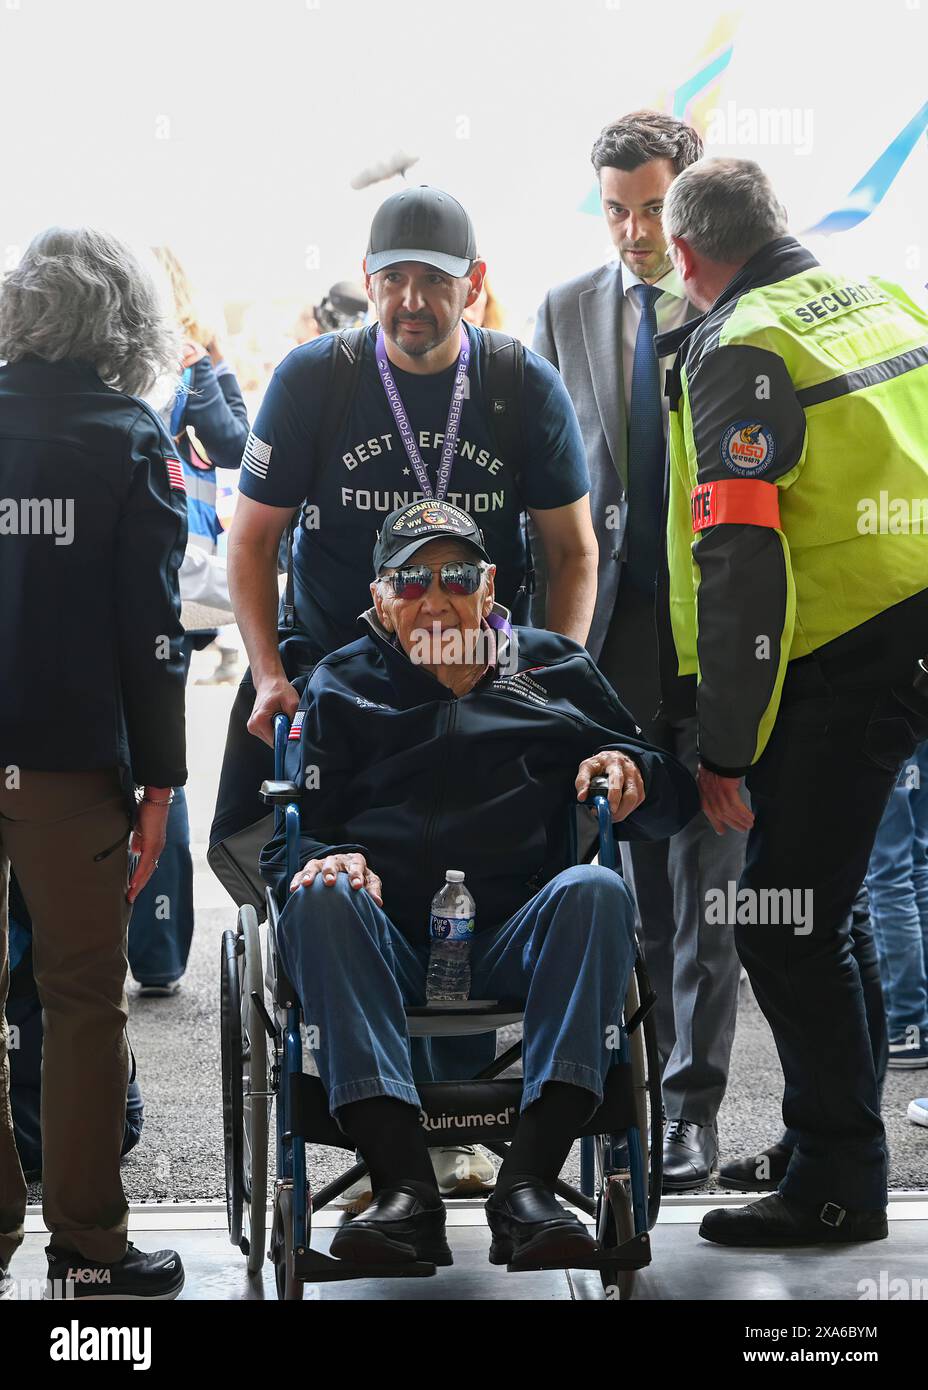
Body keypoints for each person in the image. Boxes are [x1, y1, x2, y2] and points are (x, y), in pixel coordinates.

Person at [213, 184, 599, 1198]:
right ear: (369, 281)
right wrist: (266, 671)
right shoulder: (315, 379)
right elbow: (252, 541)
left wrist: (542, 678)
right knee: (325, 858)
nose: (412, 302)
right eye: (393, 280)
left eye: (435, 280)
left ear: (473, 284)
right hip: (340, 677)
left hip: (482, 666)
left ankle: (471, 1125)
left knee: (485, 852)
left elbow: (570, 551)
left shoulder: (520, 384)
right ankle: (382, 1103)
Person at [258, 502, 699, 1268]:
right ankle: (403, 1194)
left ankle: (528, 1188)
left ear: (489, 585)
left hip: (510, 938)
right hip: (387, 941)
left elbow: (669, 801)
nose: (436, 598)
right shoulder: (340, 684)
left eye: (457, 575)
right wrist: (330, 859)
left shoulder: (553, 668)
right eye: (412, 579)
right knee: (321, 895)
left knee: (595, 890)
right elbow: (290, 845)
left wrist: (631, 771)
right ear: (379, 597)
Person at [657, 157, 928, 1246]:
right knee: (829, 903)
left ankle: (836, 1183)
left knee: (779, 920)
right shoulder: (884, 297)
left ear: (684, 256)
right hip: (906, 635)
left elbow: (739, 560)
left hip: (844, 658)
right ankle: (829, 1134)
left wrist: (724, 744)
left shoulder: (741, 345)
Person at [534, 110, 745, 1190]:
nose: (633, 232)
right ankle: (639, 1100)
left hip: (716, 653)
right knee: (634, 898)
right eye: (617, 211)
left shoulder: (738, 313)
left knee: (715, 898)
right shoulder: (564, 313)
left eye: (655, 208)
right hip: (608, 657)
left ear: (691, 199)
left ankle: (695, 1115)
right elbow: (543, 488)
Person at [0, 226, 188, 1298]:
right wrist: (160, 782)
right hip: (72, 769)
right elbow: (150, 635)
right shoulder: (130, 440)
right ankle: (89, 1246)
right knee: (79, 1000)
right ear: (123, 317)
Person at [125, 247, 250, 998]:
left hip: (179, 580)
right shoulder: (151, 374)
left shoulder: (178, 370)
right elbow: (239, 445)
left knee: (144, 757)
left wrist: (204, 367)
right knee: (156, 762)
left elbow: (236, 443)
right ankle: (159, 952)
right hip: (181, 576)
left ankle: (154, 949)